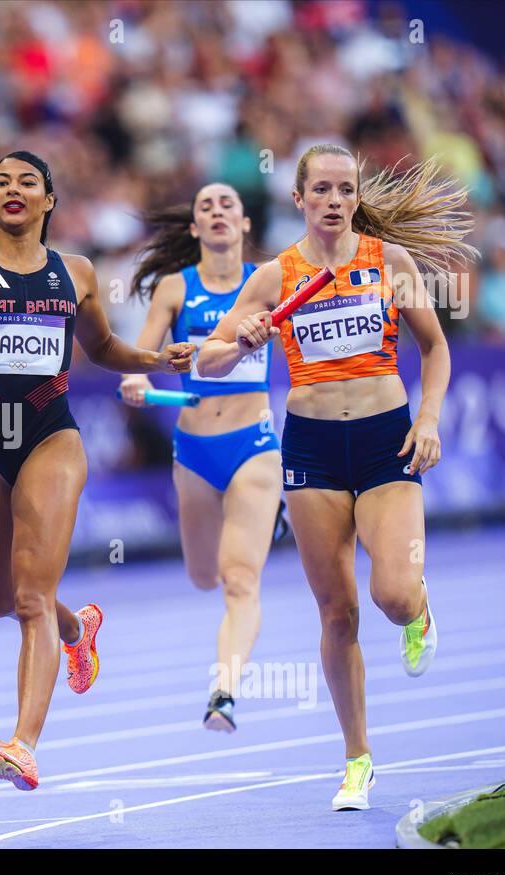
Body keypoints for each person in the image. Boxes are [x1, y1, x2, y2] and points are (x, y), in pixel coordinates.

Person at [0, 151, 192, 790]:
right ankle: (77, 626)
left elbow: (103, 348)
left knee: (28, 595)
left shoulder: (75, 272)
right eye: (1, 182)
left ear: (49, 201)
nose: (12, 190)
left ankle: (24, 743)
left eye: (27, 182)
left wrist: (157, 360)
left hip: (52, 435)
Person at [197, 144, 477, 810]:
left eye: (343, 189)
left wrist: (430, 417)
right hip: (312, 452)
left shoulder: (390, 262)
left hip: (386, 443)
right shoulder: (275, 276)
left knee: (393, 594)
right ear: (298, 199)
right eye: (319, 189)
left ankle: (419, 606)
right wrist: (243, 339)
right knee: (338, 611)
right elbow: (207, 360)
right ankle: (357, 759)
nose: (332, 199)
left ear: (355, 197)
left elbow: (436, 348)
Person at [119, 183, 282, 733]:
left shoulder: (269, 284)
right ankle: (258, 525)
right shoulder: (174, 287)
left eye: (227, 205)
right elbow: (141, 357)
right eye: (205, 206)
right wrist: (140, 378)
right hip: (191, 450)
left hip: (253, 447)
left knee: (240, 582)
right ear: (193, 229)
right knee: (202, 576)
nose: (216, 212)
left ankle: (224, 693)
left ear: (244, 225)